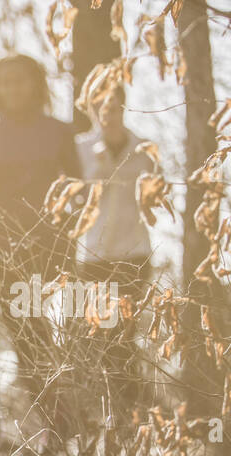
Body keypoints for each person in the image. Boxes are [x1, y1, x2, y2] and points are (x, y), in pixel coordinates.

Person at [0, 54, 81, 400]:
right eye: (4, 82)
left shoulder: (59, 132)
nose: (12, 88)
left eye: (19, 79)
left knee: (48, 329)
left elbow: (78, 187)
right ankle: (53, 419)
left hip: (52, 245)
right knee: (24, 336)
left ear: (36, 83)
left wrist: (71, 233)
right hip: (4, 249)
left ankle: (73, 412)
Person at [75, 85, 153, 411]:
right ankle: (109, 411)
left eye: (113, 105)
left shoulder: (146, 150)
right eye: (99, 106)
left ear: (123, 106)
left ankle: (131, 411)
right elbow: (75, 197)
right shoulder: (79, 148)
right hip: (93, 255)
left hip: (134, 254)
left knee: (124, 334)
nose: (107, 112)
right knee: (101, 336)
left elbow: (153, 199)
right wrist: (99, 168)